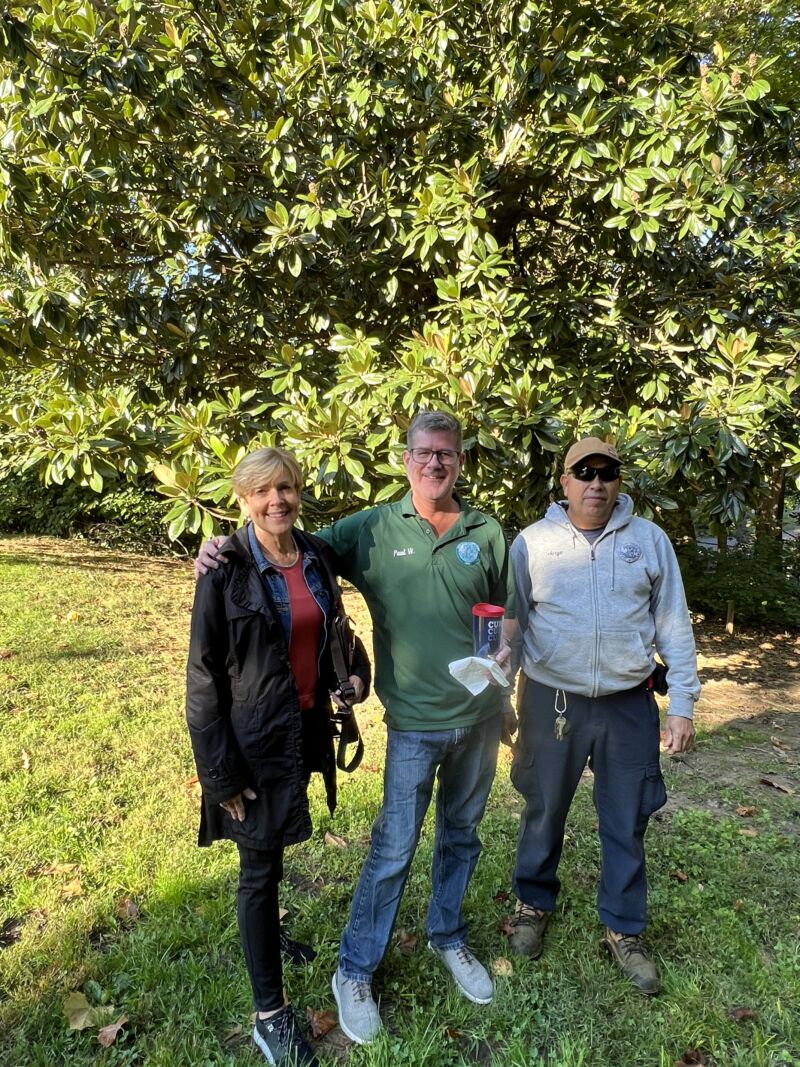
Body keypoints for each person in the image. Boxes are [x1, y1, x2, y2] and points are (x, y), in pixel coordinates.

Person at [197, 412, 516, 1044]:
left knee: (463, 835)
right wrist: (219, 546)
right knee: (393, 850)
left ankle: (447, 936)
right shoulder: (371, 529)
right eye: (424, 453)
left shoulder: (487, 529)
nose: (435, 464)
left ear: (459, 460)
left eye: (446, 454)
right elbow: (287, 547)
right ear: (406, 460)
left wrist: (505, 652)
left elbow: (507, 611)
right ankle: (355, 970)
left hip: (477, 721)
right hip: (415, 725)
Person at [186, 446, 371, 1066]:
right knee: (258, 873)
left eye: (286, 488)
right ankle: (271, 1015)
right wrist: (220, 775)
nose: (277, 501)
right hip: (252, 745)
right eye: (262, 492)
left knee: (275, 856)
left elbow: (334, 630)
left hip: (303, 729)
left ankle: (273, 934)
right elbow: (202, 678)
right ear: (242, 501)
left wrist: (355, 676)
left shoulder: (315, 555)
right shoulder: (224, 569)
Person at [506, 436, 700, 996]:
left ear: (619, 482)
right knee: (543, 808)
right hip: (551, 701)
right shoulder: (532, 544)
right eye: (584, 473)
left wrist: (681, 703)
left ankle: (624, 928)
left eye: (607, 473)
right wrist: (497, 701)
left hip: (627, 704)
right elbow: (511, 629)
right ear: (563, 482)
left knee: (627, 816)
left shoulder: (649, 541)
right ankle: (531, 904)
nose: (596, 483)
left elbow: (674, 625)